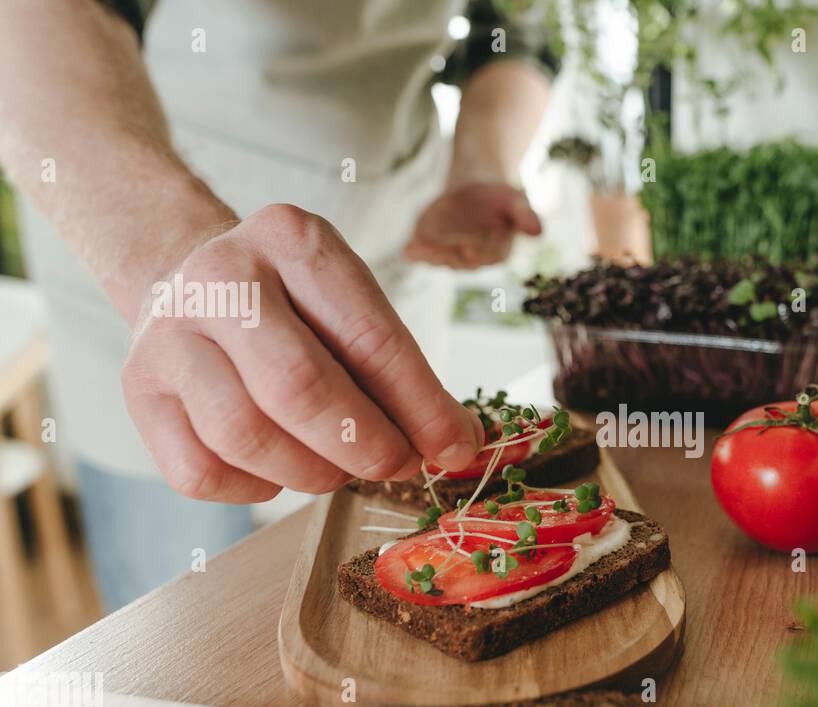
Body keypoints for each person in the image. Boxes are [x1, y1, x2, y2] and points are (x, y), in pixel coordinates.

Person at [0, 0, 557, 610]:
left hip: (390, 246)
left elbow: (513, 27)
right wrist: (176, 253)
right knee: (179, 631)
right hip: (142, 254)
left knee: (372, 610)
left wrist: (481, 167)